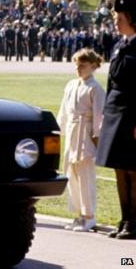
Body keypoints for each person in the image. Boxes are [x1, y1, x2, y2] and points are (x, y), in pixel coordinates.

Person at [97, 0, 136, 239]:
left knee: (133, 170)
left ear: (132, 20)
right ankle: (124, 220)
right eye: (114, 18)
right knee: (119, 170)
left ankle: (135, 223)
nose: (116, 23)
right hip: (114, 112)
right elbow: (111, 82)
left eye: (120, 19)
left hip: (132, 114)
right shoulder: (119, 45)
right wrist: (104, 115)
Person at [57, 48, 105, 233]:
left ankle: (89, 216)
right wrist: (59, 129)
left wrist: (96, 139)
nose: (79, 68)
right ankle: (78, 214)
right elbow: (64, 110)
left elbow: (99, 116)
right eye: (77, 65)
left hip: (85, 134)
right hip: (71, 132)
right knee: (71, 174)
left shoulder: (95, 88)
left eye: (83, 65)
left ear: (93, 66)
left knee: (85, 175)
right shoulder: (71, 85)